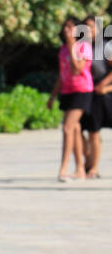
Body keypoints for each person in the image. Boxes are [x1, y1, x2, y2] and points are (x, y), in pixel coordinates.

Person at [47, 15, 93, 181]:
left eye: (70, 27)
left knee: (67, 127)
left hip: (82, 91)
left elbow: (76, 69)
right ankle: (80, 169)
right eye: (65, 27)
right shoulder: (63, 50)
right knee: (74, 129)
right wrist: (53, 96)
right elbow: (62, 74)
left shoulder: (84, 47)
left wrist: (73, 45)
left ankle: (63, 168)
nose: (66, 30)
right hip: (67, 91)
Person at [79, 15, 112, 178]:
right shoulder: (79, 47)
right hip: (82, 90)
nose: (90, 30)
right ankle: (88, 160)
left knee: (94, 131)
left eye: (93, 27)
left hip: (99, 91)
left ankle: (93, 168)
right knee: (76, 129)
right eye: (86, 27)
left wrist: (104, 85)